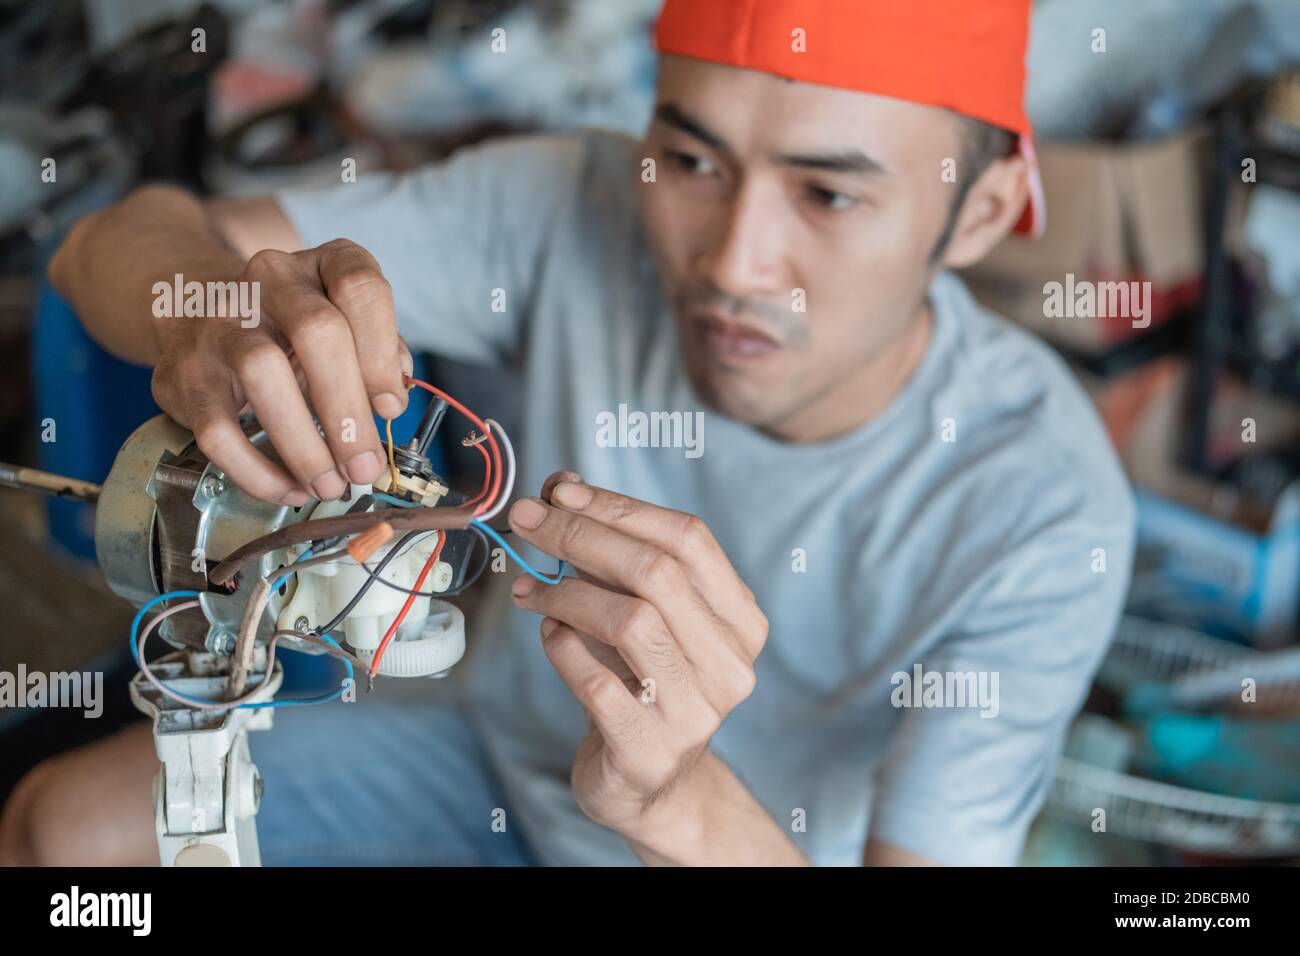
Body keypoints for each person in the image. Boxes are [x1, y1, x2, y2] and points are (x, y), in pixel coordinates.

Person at [1, 0, 1133, 866]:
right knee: (64, 833)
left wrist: (671, 797)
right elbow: (107, 239)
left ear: (978, 211)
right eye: (690, 160)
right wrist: (209, 305)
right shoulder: (565, 207)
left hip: (728, 845)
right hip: (485, 757)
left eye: (827, 196)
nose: (733, 265)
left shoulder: (1041, 507)